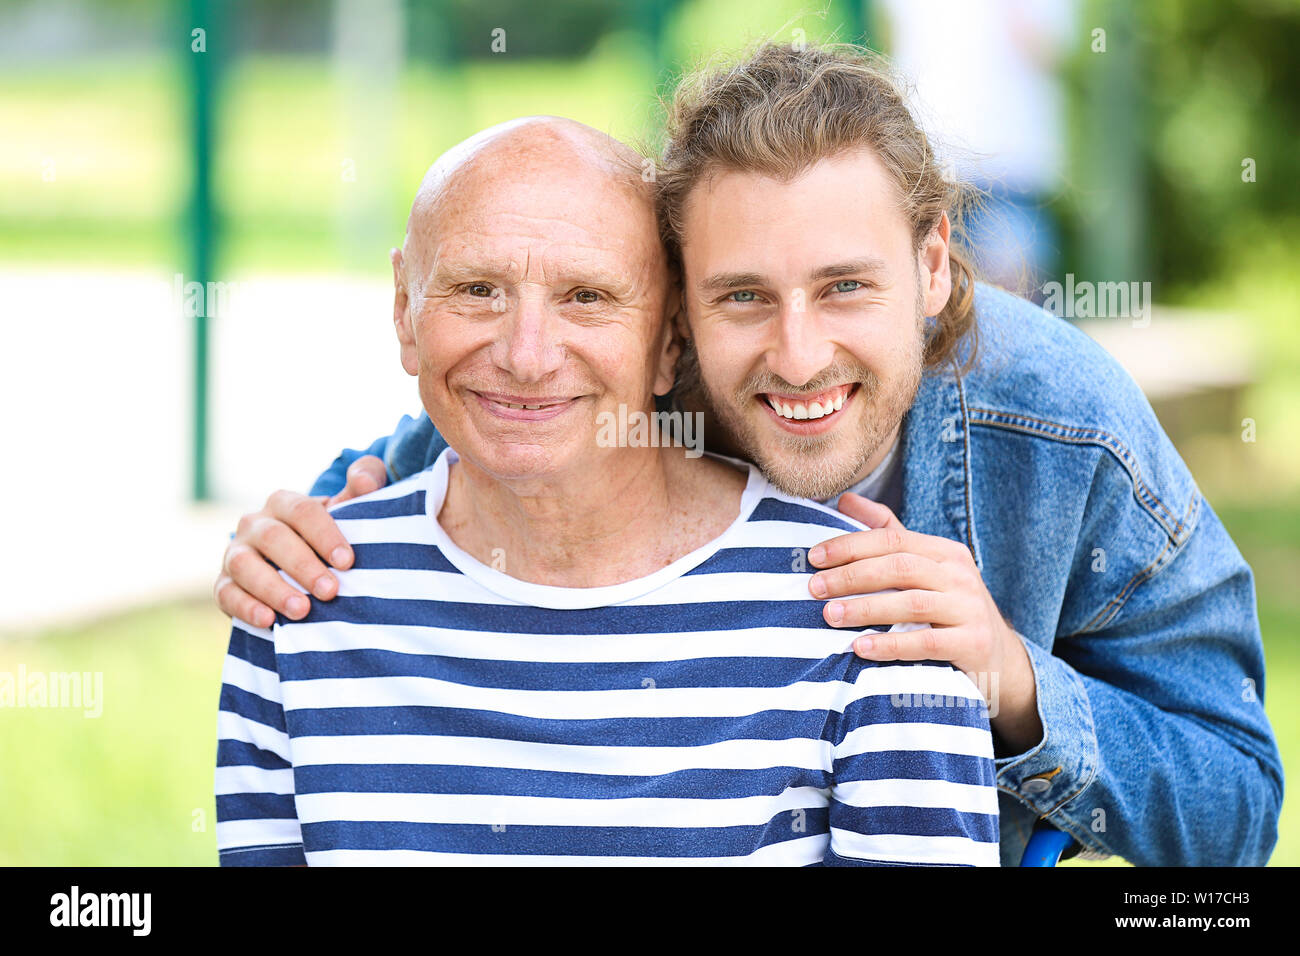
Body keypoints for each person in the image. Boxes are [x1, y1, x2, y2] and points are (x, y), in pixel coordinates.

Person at [214, 44, 1283, 866]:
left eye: (845, 285)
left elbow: (1235, 814)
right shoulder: (638, 379)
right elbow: (487, 418)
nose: (798, 352)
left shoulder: (1060, 424)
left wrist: (1009, 675)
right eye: (741, 297)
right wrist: (301, 527)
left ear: (934, 265)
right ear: (673, 313)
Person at [215, 116, 1000, 866]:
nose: (526, 356)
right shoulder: (297, 603)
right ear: (405, 312)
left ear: (669, 343)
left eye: (586, 297)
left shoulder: (875, 620)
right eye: (477, 289)